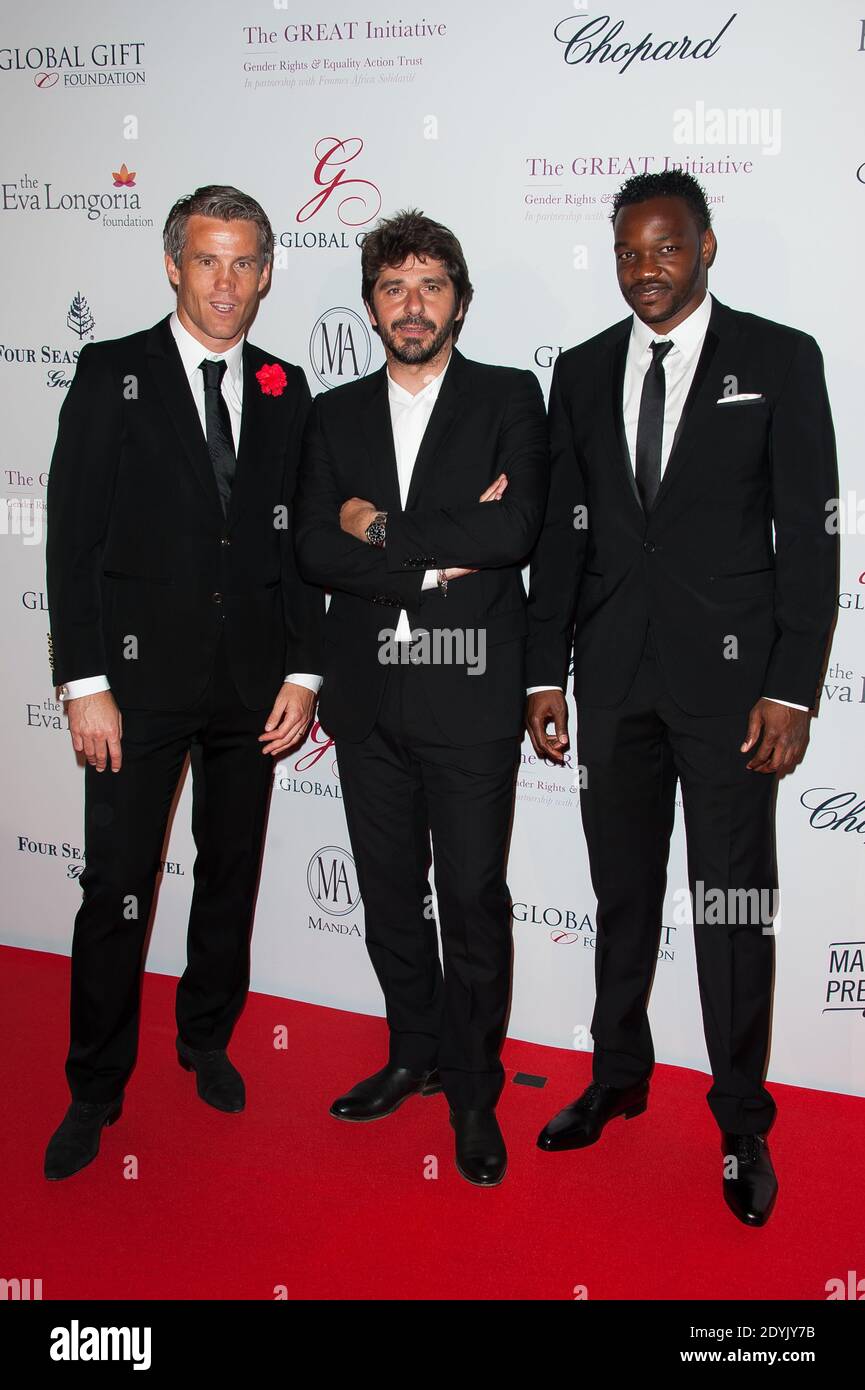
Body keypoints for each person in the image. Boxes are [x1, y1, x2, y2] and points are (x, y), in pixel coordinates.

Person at [525, 170, 838, 1225]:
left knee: (730, 905)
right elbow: (561, 535)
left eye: (664, 248)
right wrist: (542, 669)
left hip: (733, 690)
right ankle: (617, 1075)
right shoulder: (580, 371)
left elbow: (809, 534)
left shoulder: (779, 358)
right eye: (628, 252)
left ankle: (741, 1119)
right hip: (613, 681)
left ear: (705, 247)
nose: (644, 269)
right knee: (621, 895)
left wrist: (791, 685)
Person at [44, 185, 324, 1180]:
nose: (226, 283)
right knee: (116, 885)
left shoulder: (287, 386)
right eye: (207, 260)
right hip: (134, 687)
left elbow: (299, 543)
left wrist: (303, 669)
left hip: (251, 687)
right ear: (173, 265)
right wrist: (83, 680)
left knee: (230, 870)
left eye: (244, 262)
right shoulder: (111, 371)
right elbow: (72, 538)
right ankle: (94, 1083)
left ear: (266, 272)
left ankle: (205, 1035)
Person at [294, 209, 549, 1186]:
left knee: (473, 900)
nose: (412, 305)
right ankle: (414, 1052)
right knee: (390, 895)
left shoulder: (508, 395)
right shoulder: (333, 414)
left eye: (430, 286)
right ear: (370, 306)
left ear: (460, 302)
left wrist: (377, 529)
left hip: (470, 695)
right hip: (366, 699)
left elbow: (513, 530)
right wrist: (437, 558)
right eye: (393, 287)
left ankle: (474, 1091)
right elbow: (310, 546)